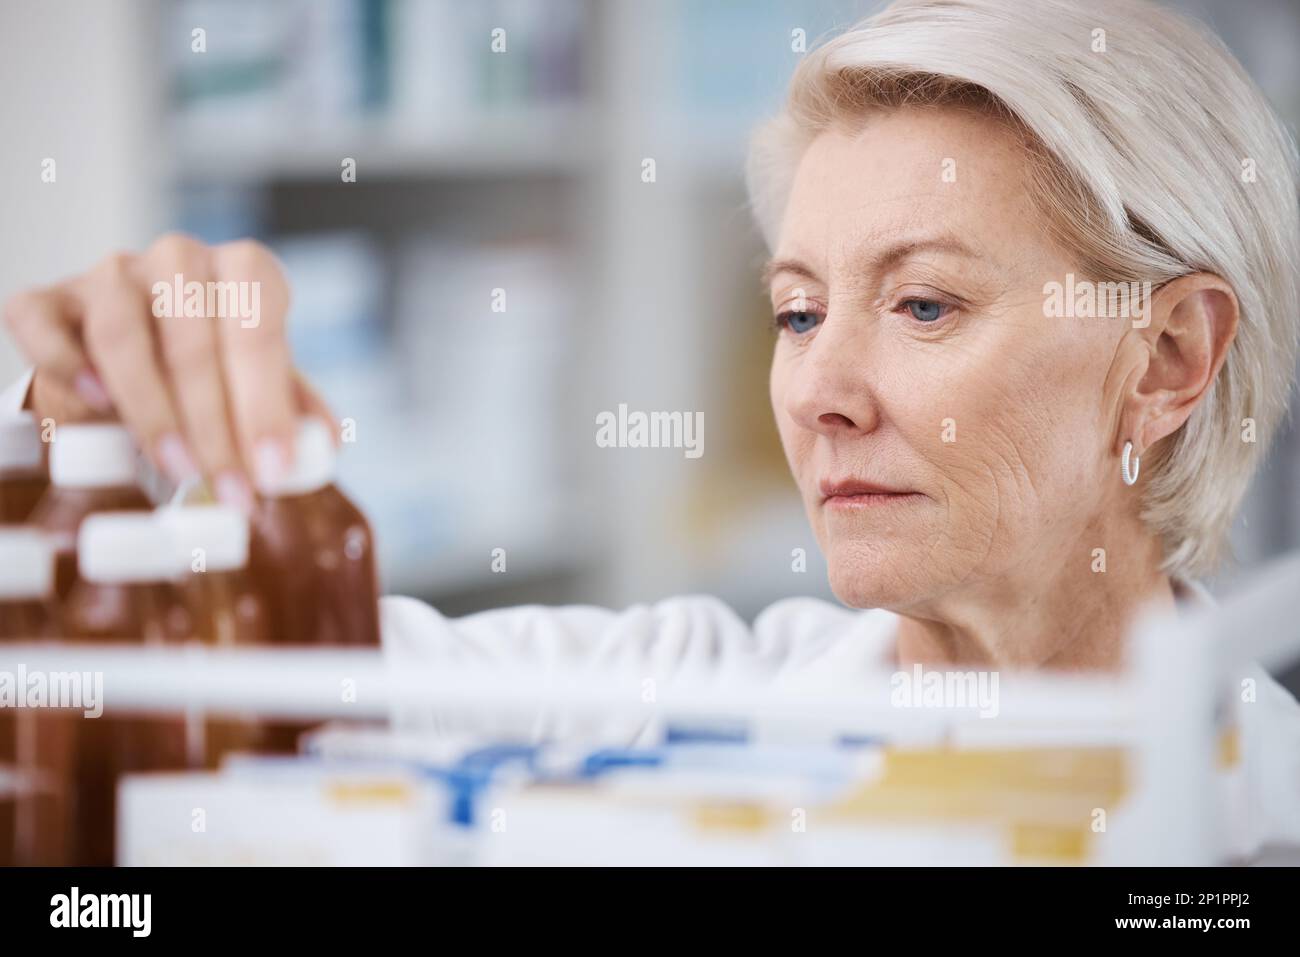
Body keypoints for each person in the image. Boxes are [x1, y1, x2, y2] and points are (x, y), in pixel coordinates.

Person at [3, 0, 1298, 861]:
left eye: (924, 302)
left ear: (1168, 356)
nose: (815, 389)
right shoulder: (666, 699)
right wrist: (87, 418)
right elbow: (235, 689)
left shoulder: (1261, 817)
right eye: (797, 312)